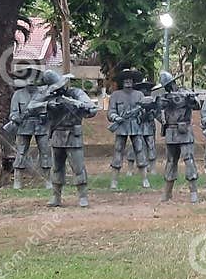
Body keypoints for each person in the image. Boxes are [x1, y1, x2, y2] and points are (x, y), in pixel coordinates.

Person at [30, 70, 98, 207]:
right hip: (57, 135)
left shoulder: (76, 93)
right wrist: (47, 105)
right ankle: (56, 196)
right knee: (56, 167)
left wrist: (78, 105)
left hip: (73, 135)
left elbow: (92, 109)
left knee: (78, 167)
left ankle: (82, 196)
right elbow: (31, 107)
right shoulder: (47, 97)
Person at [155, 70, 201, 203]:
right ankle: (167, 192)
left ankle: (193, 192)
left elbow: (197, 105)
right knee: (170, 161)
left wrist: (190, 100)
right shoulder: (163, 97)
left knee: (188, 159)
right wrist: (163, 119)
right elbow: (155, 110)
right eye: (166, 86)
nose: (168, 88)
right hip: (170, 131)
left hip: (184, 131)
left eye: (169, 85)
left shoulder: (185, 93)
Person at [107, 69, 156, 190]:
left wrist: (145, 111)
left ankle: (144, 179)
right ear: (122, 81)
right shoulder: (115, 95)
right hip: (121, 127)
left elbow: (144, 112)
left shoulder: (139, 95)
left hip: (136, 126)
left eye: (130, 79)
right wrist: (116, 117)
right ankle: (114, 181)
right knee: (118, 151)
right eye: (125, 79)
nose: (128, 81)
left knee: (140, 151)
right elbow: (111, 112)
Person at [9, 75, 52, 190]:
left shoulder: (43, 94)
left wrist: (44, 115)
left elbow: (49, 110)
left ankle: (48, 180)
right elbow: (13, 112)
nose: (31, 81)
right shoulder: (18, 95)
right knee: (21, 152)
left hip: (40, 126)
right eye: (28, 79)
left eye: (34, 79)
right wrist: (16, 118)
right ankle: (17, 180)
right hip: (24, 126)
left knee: (45, 152)